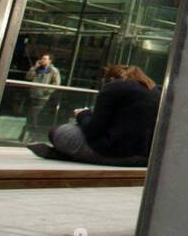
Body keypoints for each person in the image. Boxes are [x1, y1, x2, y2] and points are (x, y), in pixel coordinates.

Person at [29, 65, 161, 166]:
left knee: (56, 131)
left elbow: (93, 130)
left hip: (113, 152)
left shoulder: (113, 87)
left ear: (111, 78)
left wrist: (82, 114)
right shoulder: (154, 91)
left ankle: (70, 154)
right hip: (143, 155)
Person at [24, 53, 60, 141]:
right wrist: (34, 67)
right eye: (42, 58)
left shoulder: (53, 70)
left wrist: (46, 91)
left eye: (45, 59)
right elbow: (28, 77)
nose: (42, 60)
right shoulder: (37, 69)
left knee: (34, 115)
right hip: (33, 94)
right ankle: (28, 134)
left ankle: (33, 135)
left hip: (42, 97)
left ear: (50, 60)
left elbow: (56, 83)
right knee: (30, 115)